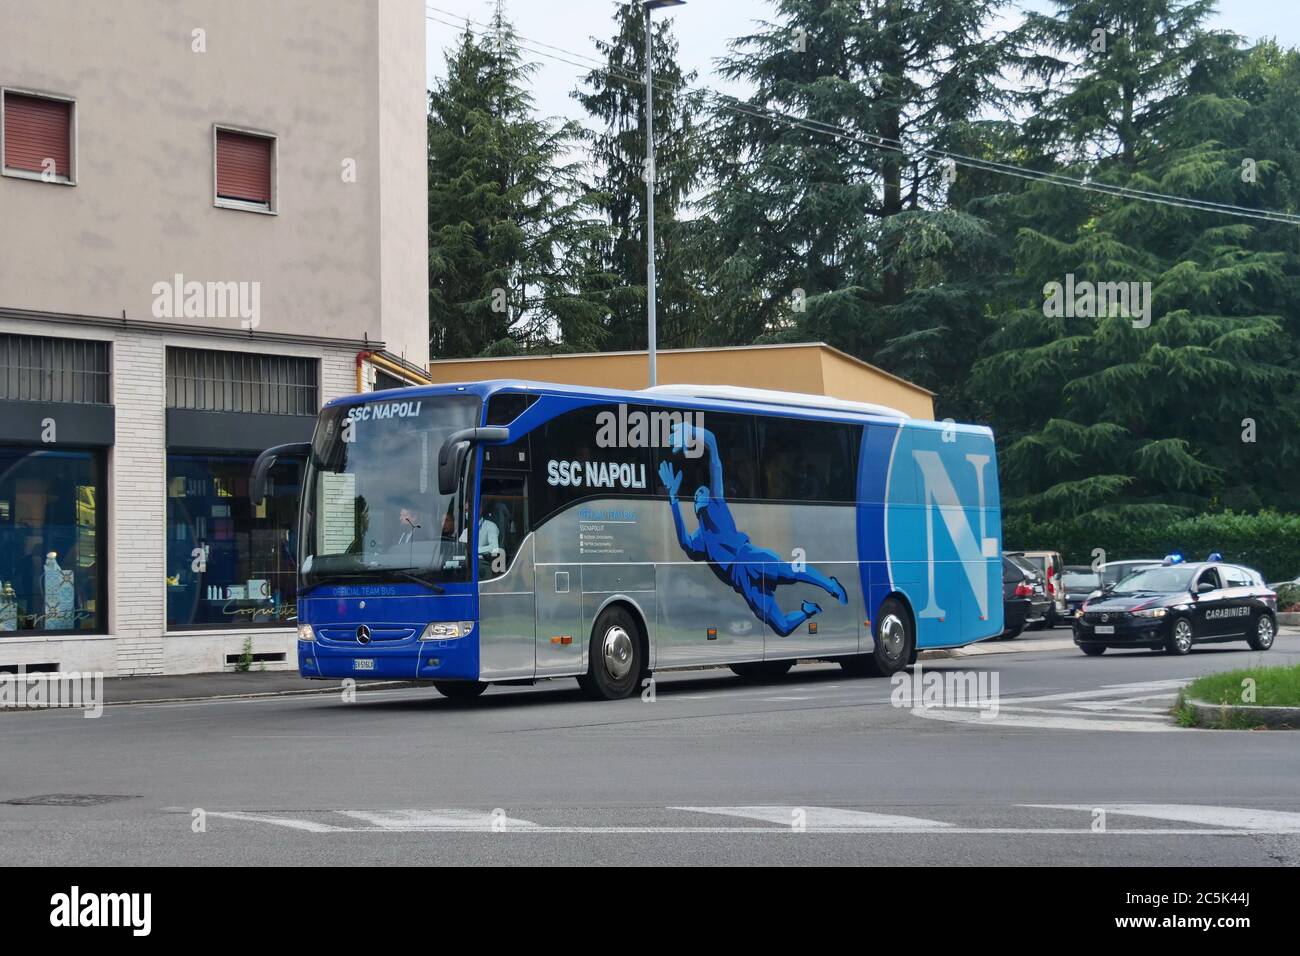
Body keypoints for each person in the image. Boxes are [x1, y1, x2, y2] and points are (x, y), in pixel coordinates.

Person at [659, 422, 847, 637]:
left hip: (750, 558)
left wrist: (693, 432)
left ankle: (829, 585)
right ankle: (807, 612)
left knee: (791, 572)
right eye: (696, 496)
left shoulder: (717, 503)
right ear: (694, 507)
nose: (699, 494)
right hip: (742, 582)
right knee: (781, 627)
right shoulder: (699, 539)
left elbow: (713, 446)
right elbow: (684, 543)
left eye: (703, 491)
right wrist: (673, 499)